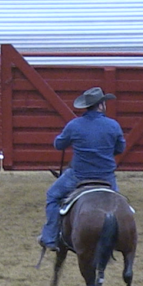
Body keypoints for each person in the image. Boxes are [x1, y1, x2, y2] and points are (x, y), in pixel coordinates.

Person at [38, 86, 126, 250]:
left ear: (86, 105)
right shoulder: (113, 125)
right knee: (120, 204)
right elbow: (120, 149)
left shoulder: (74, 125)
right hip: (106, 177)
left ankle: (49, 237)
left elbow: (59, 144)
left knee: (52, 196)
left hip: (79, 175)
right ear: (101, 106)